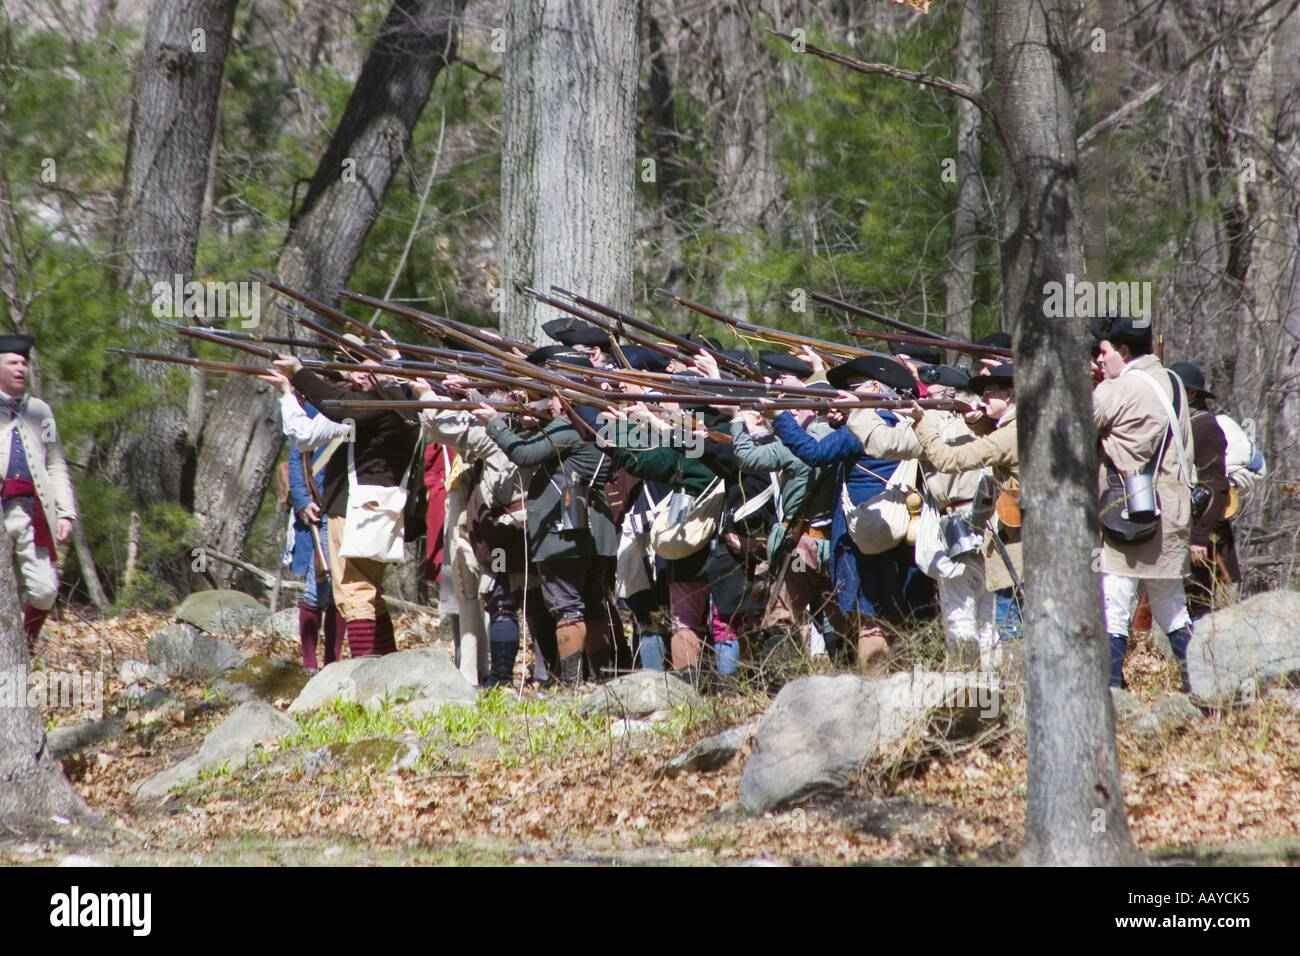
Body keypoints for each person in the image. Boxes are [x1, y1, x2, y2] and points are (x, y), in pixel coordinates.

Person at [273, 350, 421, 657]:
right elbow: (329, 413)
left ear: (391, 375)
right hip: (381, 508)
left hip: (355, 509)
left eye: (372, 371)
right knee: (370, 594)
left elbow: (336, 406)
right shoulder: (403, 404)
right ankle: (385, 667)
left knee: (353, 594)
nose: (363, 376)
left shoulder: (385, 402)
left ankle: (365, 675)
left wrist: (299, 372)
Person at [1092, 316, 1195, 690]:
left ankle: (1110, 693)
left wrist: (1093, 387)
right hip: (1173, 508)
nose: (1099, 361)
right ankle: (1197, 682)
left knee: (1114, 604)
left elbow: (1076, 428)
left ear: (1122, 351)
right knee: (1172, 606)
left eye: (1103, 353)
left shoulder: (1115, 389)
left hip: (1130, 511)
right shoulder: (1175, 383)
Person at [260, 367, 350, 670]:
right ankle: (311, 664)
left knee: (336, 591)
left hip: (342, 508)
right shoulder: (312, 408)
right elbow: (298, 456)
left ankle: (331, 662)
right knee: (317, 588)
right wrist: (302, 500)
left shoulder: (355, 407)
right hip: (315, 508)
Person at [0, 334, 77, 650]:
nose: (21, 368)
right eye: (12, 362)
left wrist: (66, 512)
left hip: (35, 512)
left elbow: (57, 463)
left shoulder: (41, 411)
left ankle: (24, 645)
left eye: (24, 363)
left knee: (45, 590)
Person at [1169, 361, 1239, 619]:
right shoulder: (1184, 425)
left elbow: (1215, 486)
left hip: (1205, 539)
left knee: (1202, 612)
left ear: (1190, 393)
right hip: (1186, 531)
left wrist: (1199, 538)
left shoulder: (1205, 427)